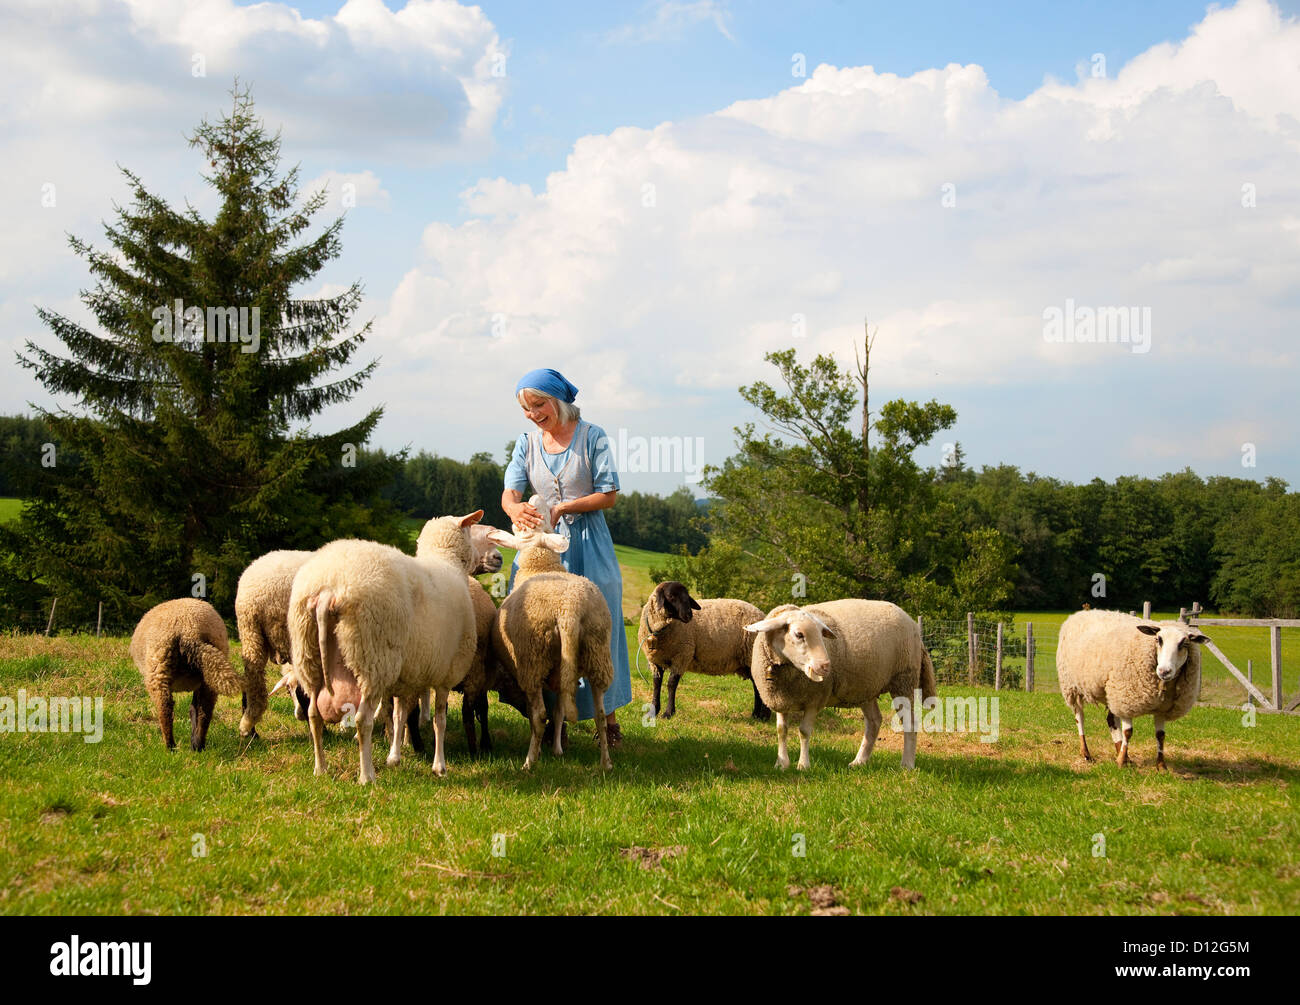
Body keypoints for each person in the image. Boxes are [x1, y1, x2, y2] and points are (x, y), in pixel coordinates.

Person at [501, 368, 632, 747]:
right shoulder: (526, 443)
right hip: (541, 548)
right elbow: (509, 493)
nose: (533, 414)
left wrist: (564, 508)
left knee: (596, 624)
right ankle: (548, 720)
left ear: (557, 401)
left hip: (589, 542)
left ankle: (606, 720)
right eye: (526, 408)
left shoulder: (593, 437)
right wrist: (514, 511)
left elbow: (609, 493)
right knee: (538, 630)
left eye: (538, 405)